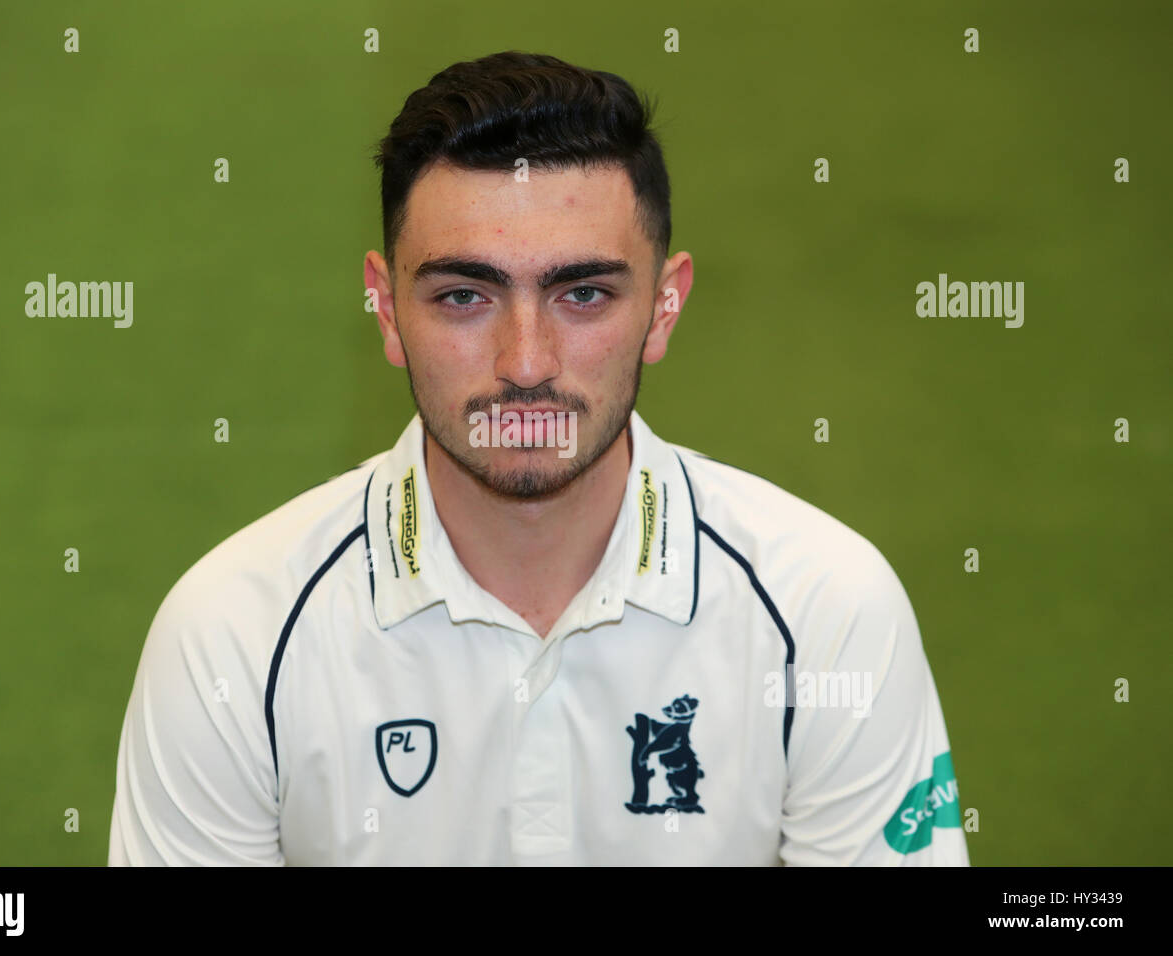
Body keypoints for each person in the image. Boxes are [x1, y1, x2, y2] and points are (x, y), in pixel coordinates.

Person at [108, 50, 969, 865]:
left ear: (665, 307)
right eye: (464, 296)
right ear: (384, 308)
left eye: (583, 293)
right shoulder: (231, 637)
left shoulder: (826, 615)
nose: (526, 363)